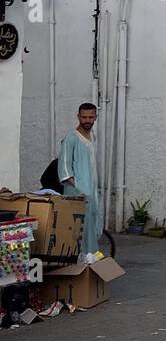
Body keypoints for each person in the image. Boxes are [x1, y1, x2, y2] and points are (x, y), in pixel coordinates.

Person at [57, 103, 104, 257]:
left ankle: (91, 255)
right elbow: (64, 168)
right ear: (78, 117)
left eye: (91, 117)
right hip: (77, 192)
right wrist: (79, 187)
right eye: (84, 117)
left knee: (92, 221)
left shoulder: (93, 137)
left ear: (95, 118)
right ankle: (82, 257)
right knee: (80, 226)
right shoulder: (71, 138)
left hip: (91, 190)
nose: (87, 120)